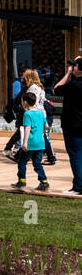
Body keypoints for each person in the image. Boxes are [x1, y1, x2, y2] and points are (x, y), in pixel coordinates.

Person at [53, 58, 82, 196]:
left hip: (73, 125)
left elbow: (56, 89)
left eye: (74, 66)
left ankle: (78, 187)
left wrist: (68, 73)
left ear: (78, 69)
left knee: (76, 156)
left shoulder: (74, 85)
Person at [13, 90, 50, 191]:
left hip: (30, 143)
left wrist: (24, 143)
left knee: (22, 161)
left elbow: (27, 128)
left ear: (25, 102)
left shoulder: (28, 114)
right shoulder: (40, 112)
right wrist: (41, 133)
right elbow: (46, 126)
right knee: (37, 163)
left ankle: (22, 181)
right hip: (40, 143)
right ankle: (44, 182)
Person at [20, 69, 56, 165]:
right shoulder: (40, 87)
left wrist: (28, 110)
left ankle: (50, 157)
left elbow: (33, 101)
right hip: (41, 113)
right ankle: (48, 156)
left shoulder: (33, 88)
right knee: (42, 135)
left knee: (41, 135)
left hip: (35, 113)